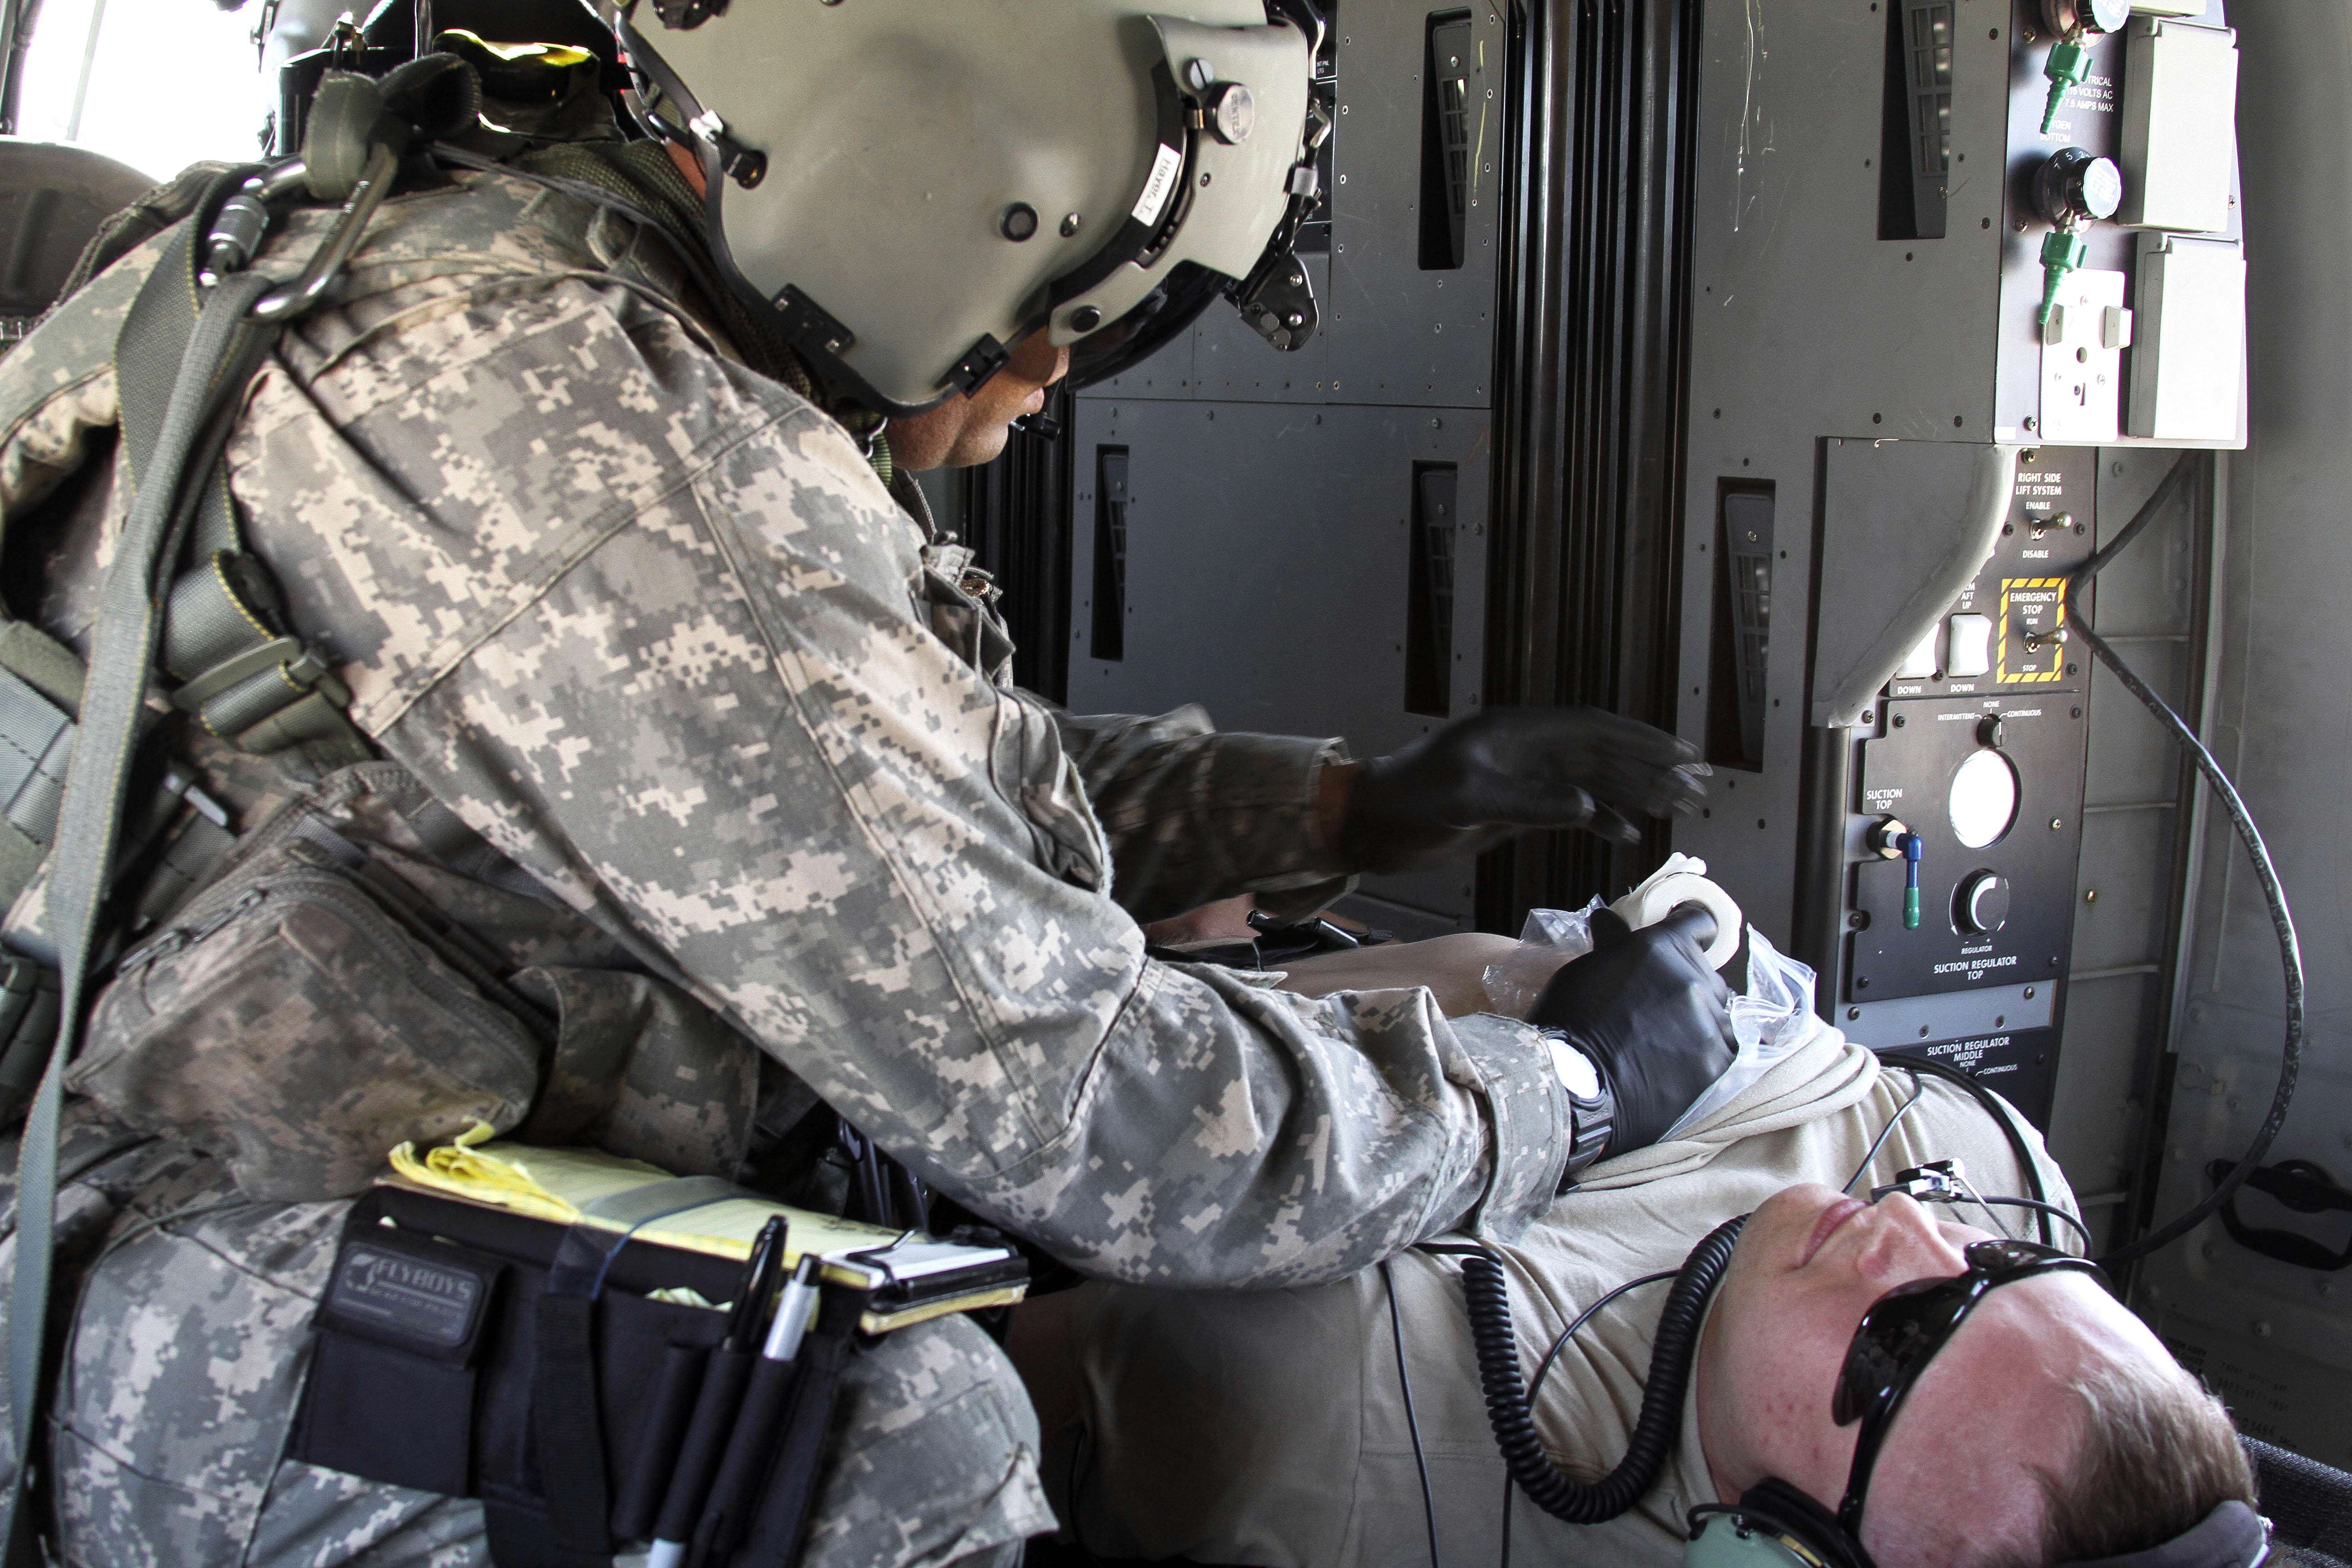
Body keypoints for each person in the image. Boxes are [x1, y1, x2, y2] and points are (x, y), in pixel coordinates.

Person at [0, 3, 1730, 1563]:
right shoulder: (597, 440)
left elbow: (894, 818)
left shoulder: (547, 276)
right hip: (126, 1254)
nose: (1052, 377)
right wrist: (1564, 1086)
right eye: (1063, 308)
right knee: (867, 1452)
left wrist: (1353, 810)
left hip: (247, 1144)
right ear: (924, 184)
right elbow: (1116, 1131)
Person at [1051, 1000, 2256, 1567]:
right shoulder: (1997, 1167)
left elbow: (1075, 1109)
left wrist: (1566, 1079)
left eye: (1904, 1341)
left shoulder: (1313, 1428)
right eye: (2000, 1266)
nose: (1913, 1227)